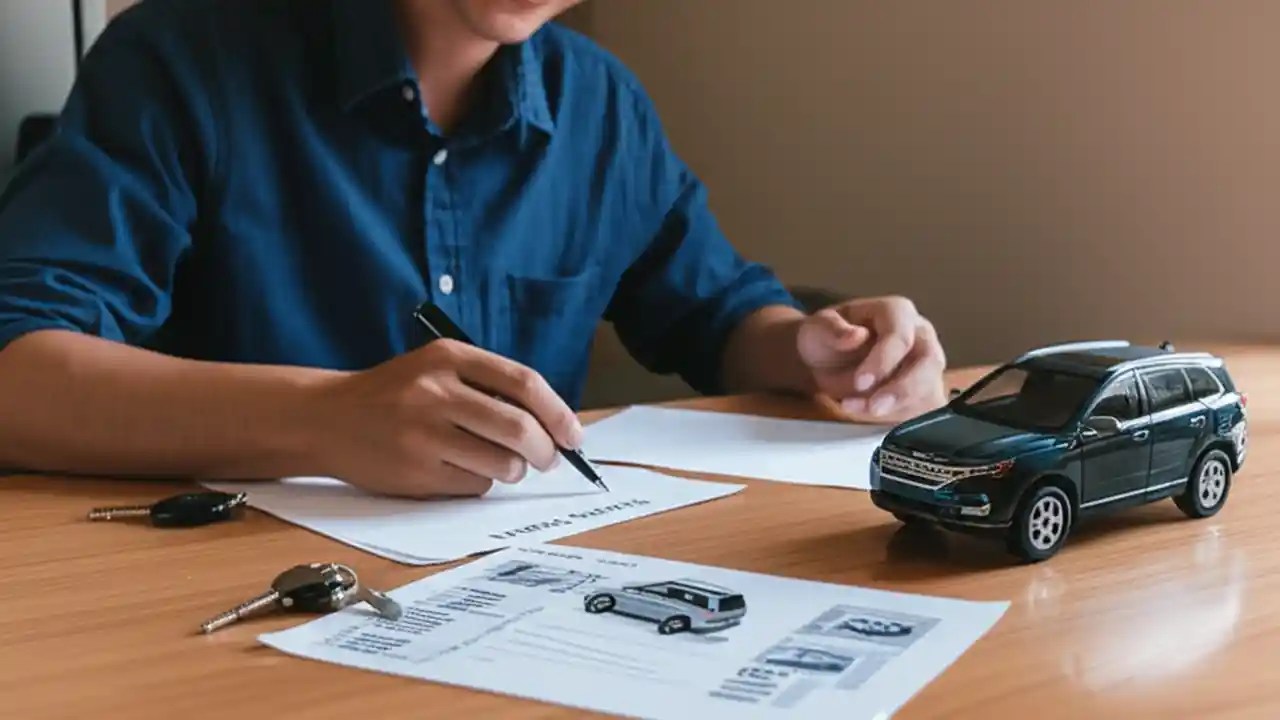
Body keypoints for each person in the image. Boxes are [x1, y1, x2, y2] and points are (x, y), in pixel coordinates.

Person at [0, 0, 946, 498]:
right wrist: (325, 419)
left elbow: (713, 312)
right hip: (216, 602)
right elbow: (18, 376)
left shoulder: (600, 104)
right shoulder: (180, 58)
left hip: (512, 610)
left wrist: (818, 349)